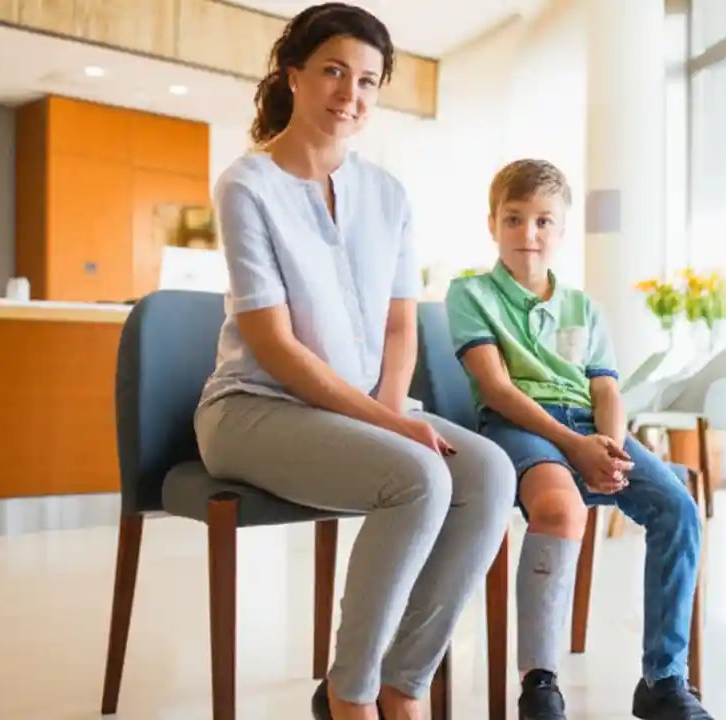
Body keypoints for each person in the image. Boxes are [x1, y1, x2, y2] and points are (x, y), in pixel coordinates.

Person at [193, 5, 516, 720]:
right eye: (334, 72)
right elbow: (274, 345)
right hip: (255, 409)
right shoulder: (248, 186)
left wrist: (393, 410)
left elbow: (402, 325)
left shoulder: (388, 194)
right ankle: (351, 696)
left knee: (490, 472)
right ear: (294, 76)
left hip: (363, 407)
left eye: (369, 80)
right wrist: (388, 426)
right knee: (418, 475)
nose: (351, 94)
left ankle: (403, 686)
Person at [445, 159, 712, 720]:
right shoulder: (470, 294)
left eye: (543, 221)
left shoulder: (583, 308)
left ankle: (663, 680)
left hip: (593, 429)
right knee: (560, 508)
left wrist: (610, 450)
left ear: (562, 230)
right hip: (521, 426)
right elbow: (494, 387)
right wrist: (573, 447)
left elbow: (607, 391)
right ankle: (539, 683)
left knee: (680, 510)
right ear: (492, 223)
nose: (528, 234)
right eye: (513, 219)